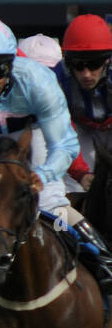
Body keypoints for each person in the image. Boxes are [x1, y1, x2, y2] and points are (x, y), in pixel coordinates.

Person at [0, 18, 112, 296]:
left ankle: (104, 260)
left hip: (34, 132)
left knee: (50, 202)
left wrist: (41, 176)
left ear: (11, 63)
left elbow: (65, 144)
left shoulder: (39, 80)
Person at [55, 15, 112, 194]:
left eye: (94, 64)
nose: (86, 74)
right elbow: (61, 130)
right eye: (78, 65)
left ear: (107, 60)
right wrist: (80, 173)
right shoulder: (56, 77)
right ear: (67, 62)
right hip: (81, 129)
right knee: (76, 186)